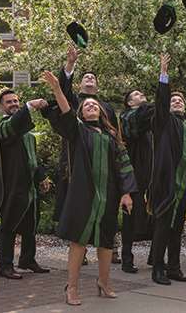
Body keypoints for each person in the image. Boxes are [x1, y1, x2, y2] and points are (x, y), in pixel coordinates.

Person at [40, 71, 136, 306]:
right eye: (87, 105)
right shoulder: (79, 132)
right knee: (79, 242)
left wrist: (126, 193)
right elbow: (66, 112)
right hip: (84, 195)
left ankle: (104, 282)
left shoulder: (112, 137)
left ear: (102, 112)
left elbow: (124, 165)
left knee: (105, 241)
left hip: (108, 196)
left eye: (95, 105)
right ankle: (71, 288)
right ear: (82, 112)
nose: (91, 106)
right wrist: (57, 90)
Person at [56, 45, 121, 265]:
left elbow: (116, 135)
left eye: (93, 77)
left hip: (105, 167)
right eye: (86, 77)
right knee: (81, 205)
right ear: (80, 83)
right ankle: (80, 249)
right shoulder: (75, 102)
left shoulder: (107, 108)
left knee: (106, 205)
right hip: (78, 163)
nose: (90, 78)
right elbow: (62, 97)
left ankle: (109, 247)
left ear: (97, 85)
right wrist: (70, 65)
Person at [148, 54, 186, 284]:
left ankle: (174, 268)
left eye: (181, 101)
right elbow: (161, 101)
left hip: (182, 187)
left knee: (177, 228)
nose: (177, 102)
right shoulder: (164, 123)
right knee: (162, 227)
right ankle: (157, 267)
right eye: (173, 100)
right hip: (165, 183)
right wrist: (163, 75)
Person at [0, 90, 52, 280]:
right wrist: (30, 106)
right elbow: (14, 125)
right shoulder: (2, 128)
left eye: (16, 101)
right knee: (8, 226)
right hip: (12, 186)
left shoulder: (29, 136)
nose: (14, 104)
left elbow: (34, 160)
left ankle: (27, 260)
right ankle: (5, 266)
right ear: (2, 106)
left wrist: (42, 177)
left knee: (30, 226)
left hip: (29, 188)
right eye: (9, 102)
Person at [118, 86, 155, 274]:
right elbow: (134, 130)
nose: (142, 96)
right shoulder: (128, 117)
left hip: (151, 174)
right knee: (130, 218)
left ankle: (154, 257)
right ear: (130, 103)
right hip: (135, 174)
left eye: (143, 93)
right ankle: (126, 258)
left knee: (154, 216)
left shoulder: (147, 116)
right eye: (136, 95)